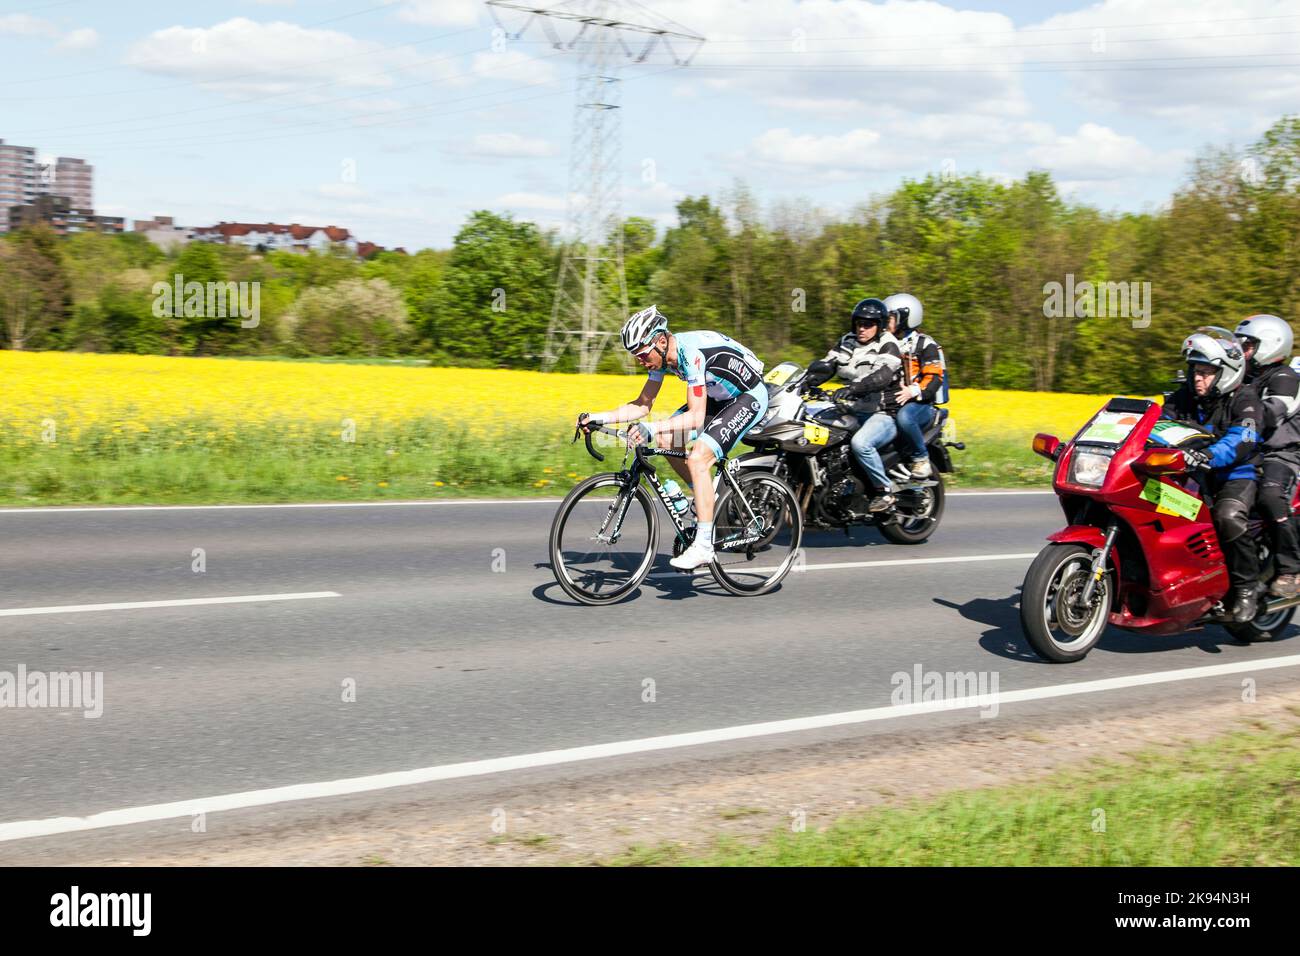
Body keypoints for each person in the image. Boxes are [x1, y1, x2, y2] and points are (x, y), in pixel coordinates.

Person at [577, 305, 768, 572]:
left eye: (642, 355)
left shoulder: (690, 355)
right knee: (666, 441)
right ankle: (703, 495)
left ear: (661, 340)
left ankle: (703, 546)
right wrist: (599, 417)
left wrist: (650, 429)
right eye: (636, 356)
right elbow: (643, 405)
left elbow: (696, 418)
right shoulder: (662, 356)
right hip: (719, 398)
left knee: (699, 458)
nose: (640, 362)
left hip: (748, 397)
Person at [1161, 328, 1263, 622]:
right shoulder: (1184, 397)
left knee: (1227, 516)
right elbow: (1158, 423)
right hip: (1191, 471)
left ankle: (1246, 589)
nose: (1197, 378)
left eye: (1206, 372)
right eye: (1195, 370)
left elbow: (1242, 438)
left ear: (1226, 372)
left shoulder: (1245, 398)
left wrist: (1208, 454)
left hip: (1237, 473)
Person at [804, 297, 904, 512]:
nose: (862, 328)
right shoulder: (847, 341)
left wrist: (853, 388)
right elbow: (828, 364)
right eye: (859, 323)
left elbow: (882, 376)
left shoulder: (888, 343)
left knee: (861, 443)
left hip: (884, 412)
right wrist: (806, 381)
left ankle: (884, 491)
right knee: (809, 429)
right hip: (851, 407)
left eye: (868, 324)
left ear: (879, 325)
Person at [1235, 313, 1300, 599]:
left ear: (1271, 345)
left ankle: (1290, 568)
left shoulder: (1285, 377)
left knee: (1270, 497)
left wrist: (1243, 414)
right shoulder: (1242, 375)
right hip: (1247, 450)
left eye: (1248, 345)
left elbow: (1272, 411)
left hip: (1281, 454)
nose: (1242, 351)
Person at [884, 292, 945, 479]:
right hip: (889, 400)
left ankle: (921, 459)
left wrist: (913, 391)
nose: (885, 323)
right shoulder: (884, 342)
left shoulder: (924, 344)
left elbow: (934, 377)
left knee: (905, 418)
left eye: (890, 318)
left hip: (920, 404)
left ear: (905, 318)